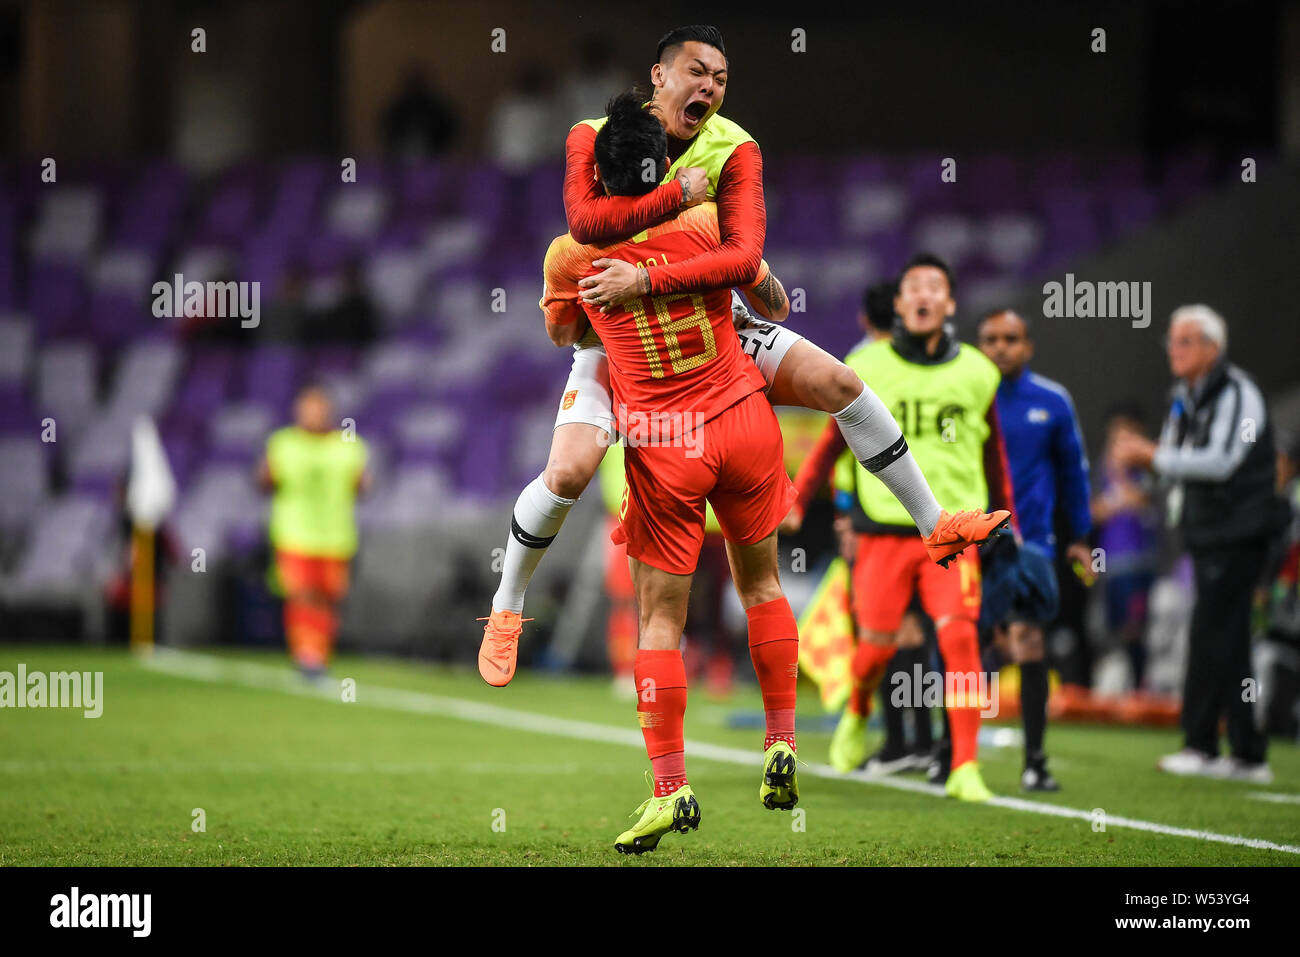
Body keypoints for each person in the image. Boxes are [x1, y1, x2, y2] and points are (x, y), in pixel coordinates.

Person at [479, 26, 1003, 674]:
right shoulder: (593, 136)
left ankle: (934, 524)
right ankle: (507, 605)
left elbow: (747, 261)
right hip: (616, 343)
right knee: (566, 474)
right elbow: (585, 227)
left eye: (721, 79)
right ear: (659, 76)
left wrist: (657, 276)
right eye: (697, 71)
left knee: (839, 384)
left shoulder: (736, 147)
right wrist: (670, 210)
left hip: (712, 328)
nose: (710, 87)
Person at [539, 94, 801, 853]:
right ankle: (779, 739)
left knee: (661, 621)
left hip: (664, 436)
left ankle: (668, 788)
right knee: (763, 587)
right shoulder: (705, 217)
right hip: (744, 417)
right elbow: (769, 296)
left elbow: (566, 332)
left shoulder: (572, 252)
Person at [794, 253, 1014, 801]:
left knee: (959, 638)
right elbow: (831, 440)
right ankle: (856, 715)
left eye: (934, 287)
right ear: (898, 304)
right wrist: (798, 500)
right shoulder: (866, 364)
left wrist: (1011, 520)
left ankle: (965, 765)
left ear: (950, 304)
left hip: (955, 531)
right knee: (873, 651)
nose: (923, 295)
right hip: (884, 529)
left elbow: (995, 457)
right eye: (912, 286)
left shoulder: (979, 372)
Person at [1113, 304, 1287, 783]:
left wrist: (1152, 454)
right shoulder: (1183, 396)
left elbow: (1221, 461)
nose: (1175, 349)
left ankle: (1204, 744)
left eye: (1186, 341)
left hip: (1239, 532)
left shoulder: (1237, 391)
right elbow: (1176, 463)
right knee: (1227, 639)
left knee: (1214, 635)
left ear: (1213, 347)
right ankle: (1246, 753)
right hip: (1208, 534)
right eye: (1171, 340)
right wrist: (1148, 473)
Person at [977, 309, 1092, 791]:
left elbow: (1074, 473)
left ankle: (1035, 760)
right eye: (991, 339)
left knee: (1028, 642)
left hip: (1032, 543)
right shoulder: (964, 394)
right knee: (964, 646)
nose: (1001, 347)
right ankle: (953, 752)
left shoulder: (1053, 401)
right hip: (971, 536)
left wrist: (1082, 538)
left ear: (1029, 346)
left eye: (1011, 338)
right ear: (979, 345)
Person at [258, 385, 369, 678]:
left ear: (328, 411)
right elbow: (263, 482)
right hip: (294, 533)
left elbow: (363, 486)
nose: (312, 415)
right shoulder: (283, 443)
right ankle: (307, 655)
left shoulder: (349, 446)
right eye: (306, 408)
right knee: (301, 594)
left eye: (317, 408)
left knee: (326, 598)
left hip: (335, 536)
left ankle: (318, 652)